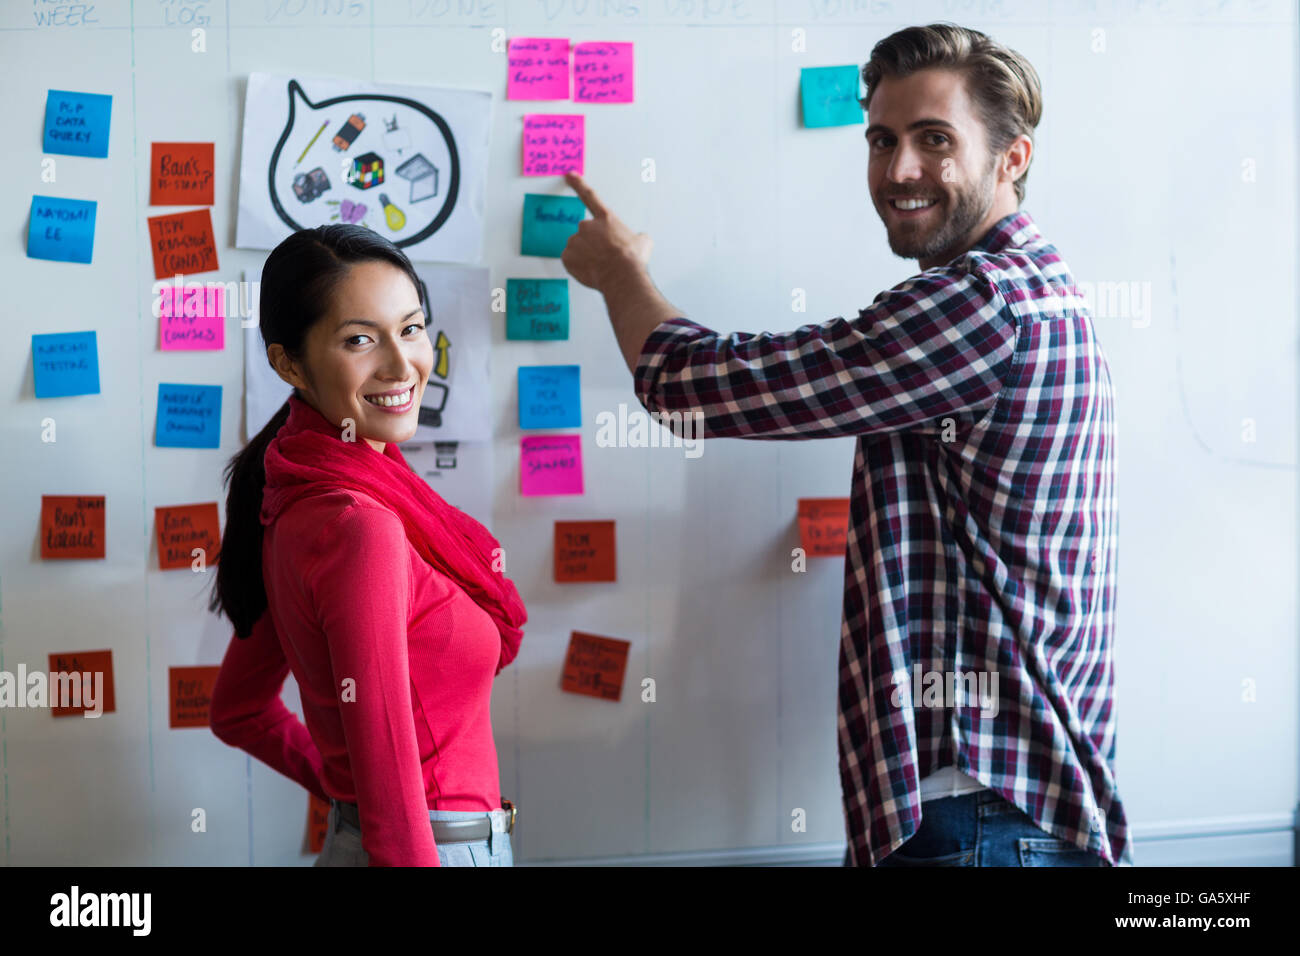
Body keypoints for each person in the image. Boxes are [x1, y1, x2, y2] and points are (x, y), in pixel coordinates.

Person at [558, 22, 1131, 867]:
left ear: (1012, 159)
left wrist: (619, 274)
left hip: (978, 819)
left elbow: (690, 387)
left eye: (935, 140)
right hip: (1004, 808)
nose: (899, 170)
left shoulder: (976, 309)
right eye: (882, 140)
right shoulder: (1035, 291)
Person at [207, 224, 526, 866]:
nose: (402, 364)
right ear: (288, 363)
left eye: (410, 328)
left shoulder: (296, 498)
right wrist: (363, 804)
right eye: (359, 339)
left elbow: (237, 710)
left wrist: (341, 791)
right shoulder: (360, 527)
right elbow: (389, 797)